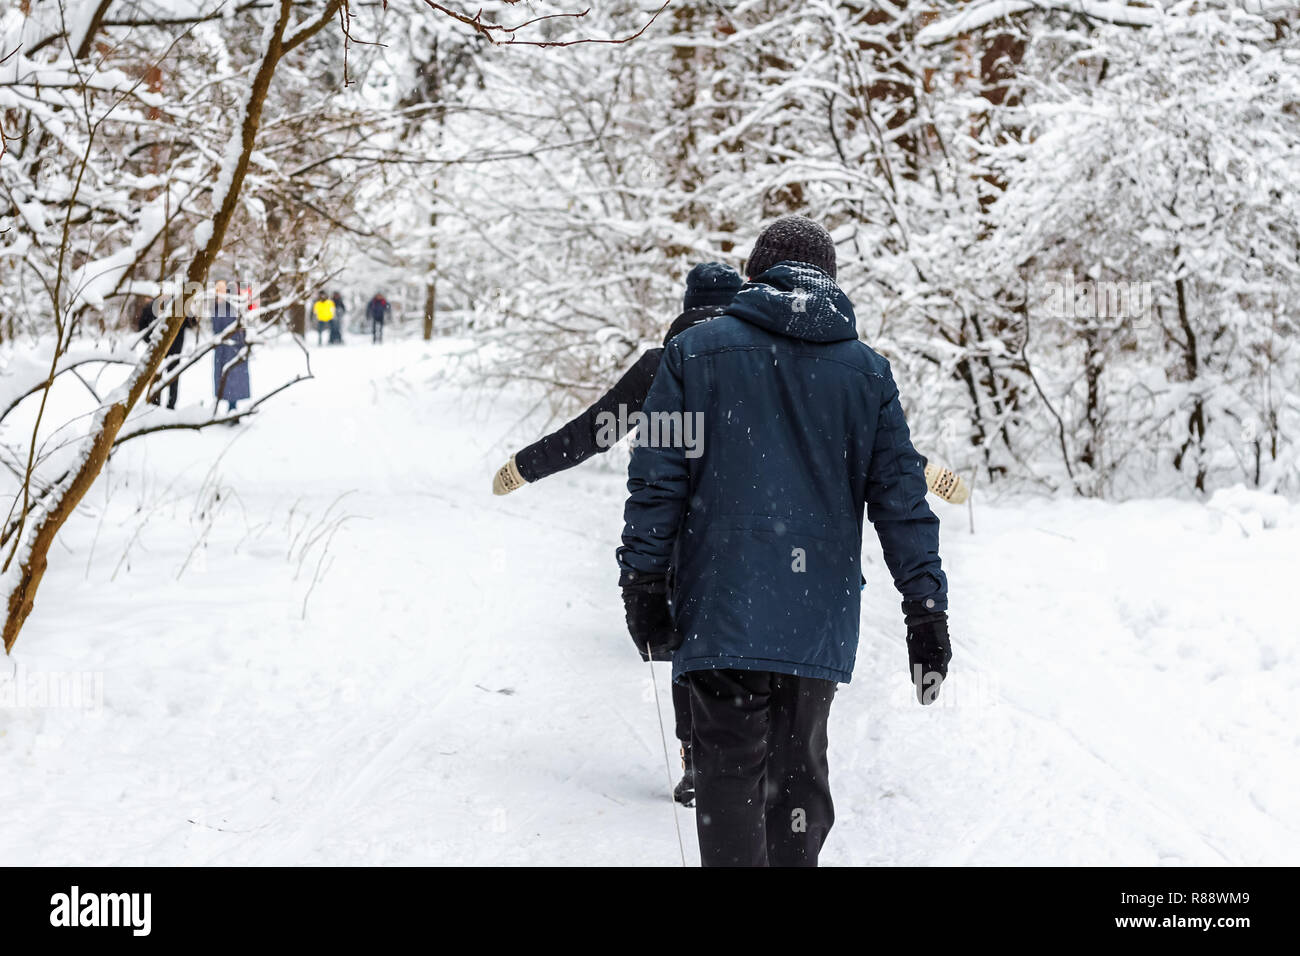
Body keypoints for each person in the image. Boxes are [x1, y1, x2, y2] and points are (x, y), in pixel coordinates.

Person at [616, 216, 952, 867]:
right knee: (798, 778)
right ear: (829, 279)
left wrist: (643, 585)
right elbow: (902, 502)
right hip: (813, 616)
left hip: (721, 607)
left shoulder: (695, 354)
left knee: (729, 780)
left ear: (754, 275)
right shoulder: (868, 375)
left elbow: (655, 482)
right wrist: (926, 610)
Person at [491, 262, 745, 806]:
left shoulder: (664, 365)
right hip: (753, 528)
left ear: (685, 307)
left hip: (679, 530)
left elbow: (593, 430)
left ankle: (698, 759)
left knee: (692, 646)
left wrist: (526, 465)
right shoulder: (763, 362)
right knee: (745, 638)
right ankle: (754, 754)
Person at [136, 295, 194, 409]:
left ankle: (171, 405)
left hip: (175, 350)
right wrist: (151, 341)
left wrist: (191, 311)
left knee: (173, 377)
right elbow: (142, 328)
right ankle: (154, 404)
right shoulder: (151, 307)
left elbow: (192, 323)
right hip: (157, 351)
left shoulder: (179, 306)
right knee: (156, 377)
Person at [212, 279, 251, 415]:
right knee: (225, 379)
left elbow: (241, 327)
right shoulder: (217, 307)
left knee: (233, 379)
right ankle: (227, 407)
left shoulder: (233, 307)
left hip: (234, 349)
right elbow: (216, 328)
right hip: (224, 350)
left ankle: (232, 408)